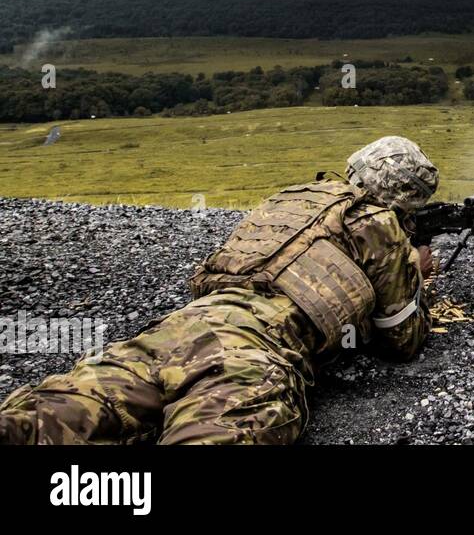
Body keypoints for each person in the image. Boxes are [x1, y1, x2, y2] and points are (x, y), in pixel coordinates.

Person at [0, 136, 439, 445]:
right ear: (405, 197)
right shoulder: (378, 224)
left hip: (174, 331)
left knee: (51, 415)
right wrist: (415, 273)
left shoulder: (295, 196)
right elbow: (402, 341)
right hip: (251, 348)